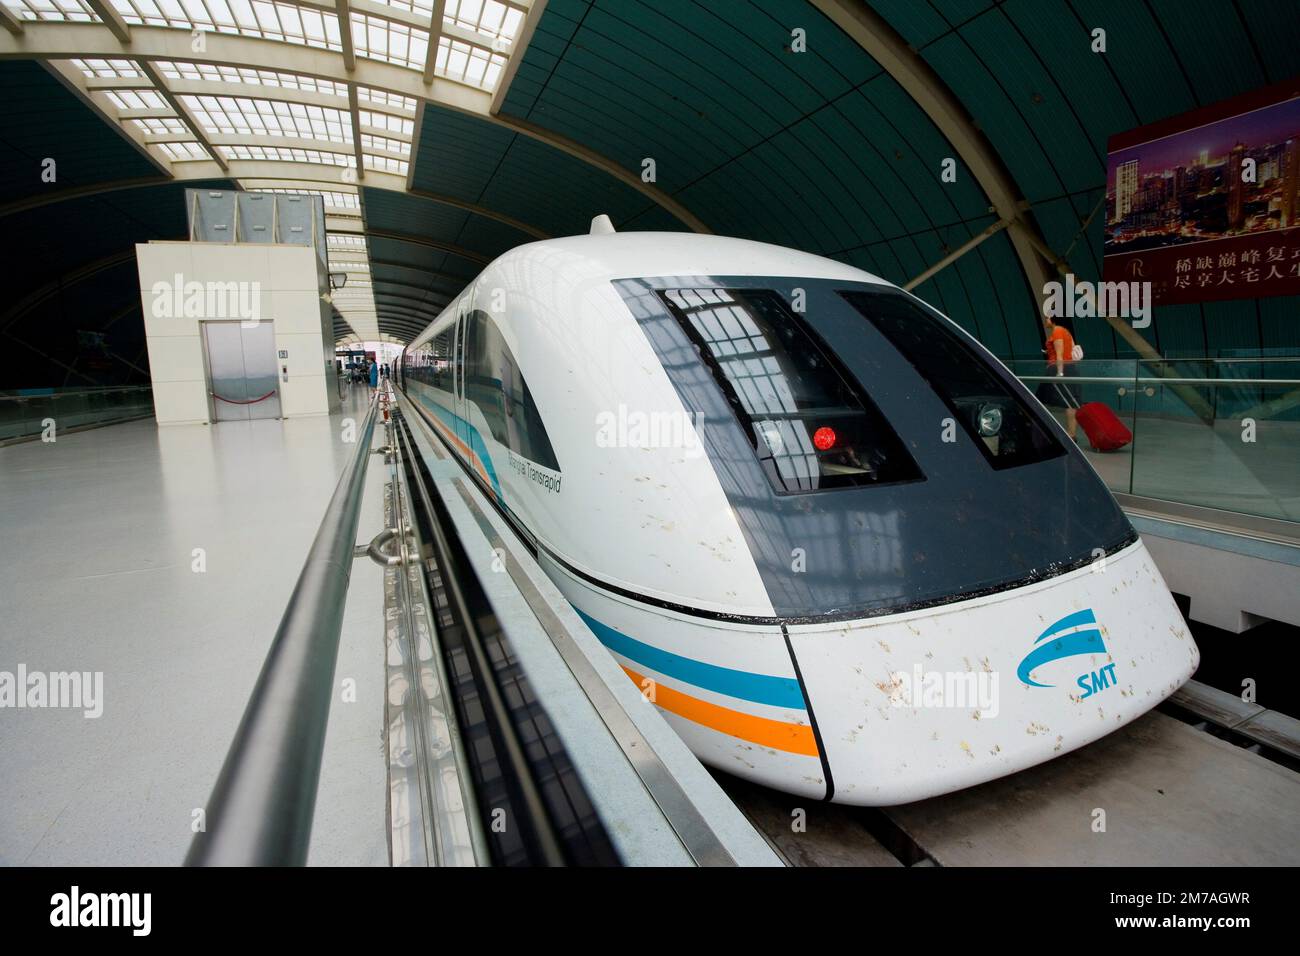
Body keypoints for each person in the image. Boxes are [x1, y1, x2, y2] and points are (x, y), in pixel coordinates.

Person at [1040, 314, 1079, 440]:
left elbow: (1060, 354)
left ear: (1052, 319)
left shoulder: (1057, 331)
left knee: (1068, 402)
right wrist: (1048, 351)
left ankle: (1069, 434)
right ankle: (1071, 434)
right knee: (1070, 402)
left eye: (1047, 318)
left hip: (1060, 370)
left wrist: (1060, 374)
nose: (1045, 320)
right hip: (1069, 368)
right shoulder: (1065, 331)